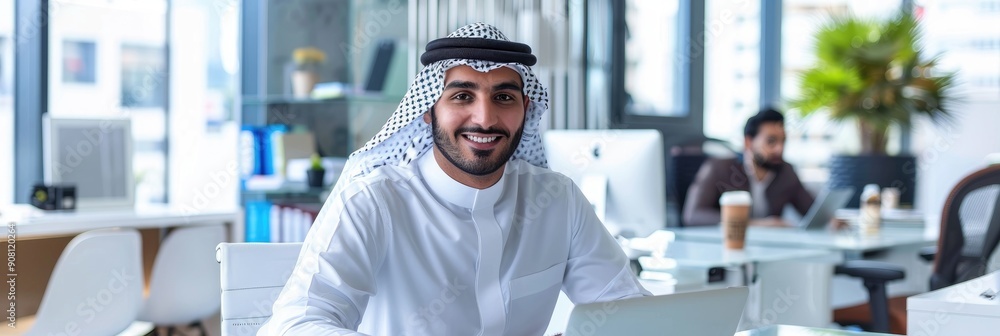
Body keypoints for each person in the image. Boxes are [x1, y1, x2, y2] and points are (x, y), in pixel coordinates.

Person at [259, 23, 649, 335]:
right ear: (428, 109)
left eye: (504, 97)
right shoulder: (373, 201)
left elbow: (628, 312)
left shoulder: (557, 200)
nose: (485, 119)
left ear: (526, 109)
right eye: (462, 96)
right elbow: (294, 325)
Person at [683, 108, 815, 227]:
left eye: (783, 141)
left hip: (768, 245)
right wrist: (756, 224)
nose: (779, 149)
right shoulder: (719, 168)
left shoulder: (786, 172)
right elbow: (693, 215)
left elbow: (813, 213)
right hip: (723, 243)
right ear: (748, 142)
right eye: (771, 141)